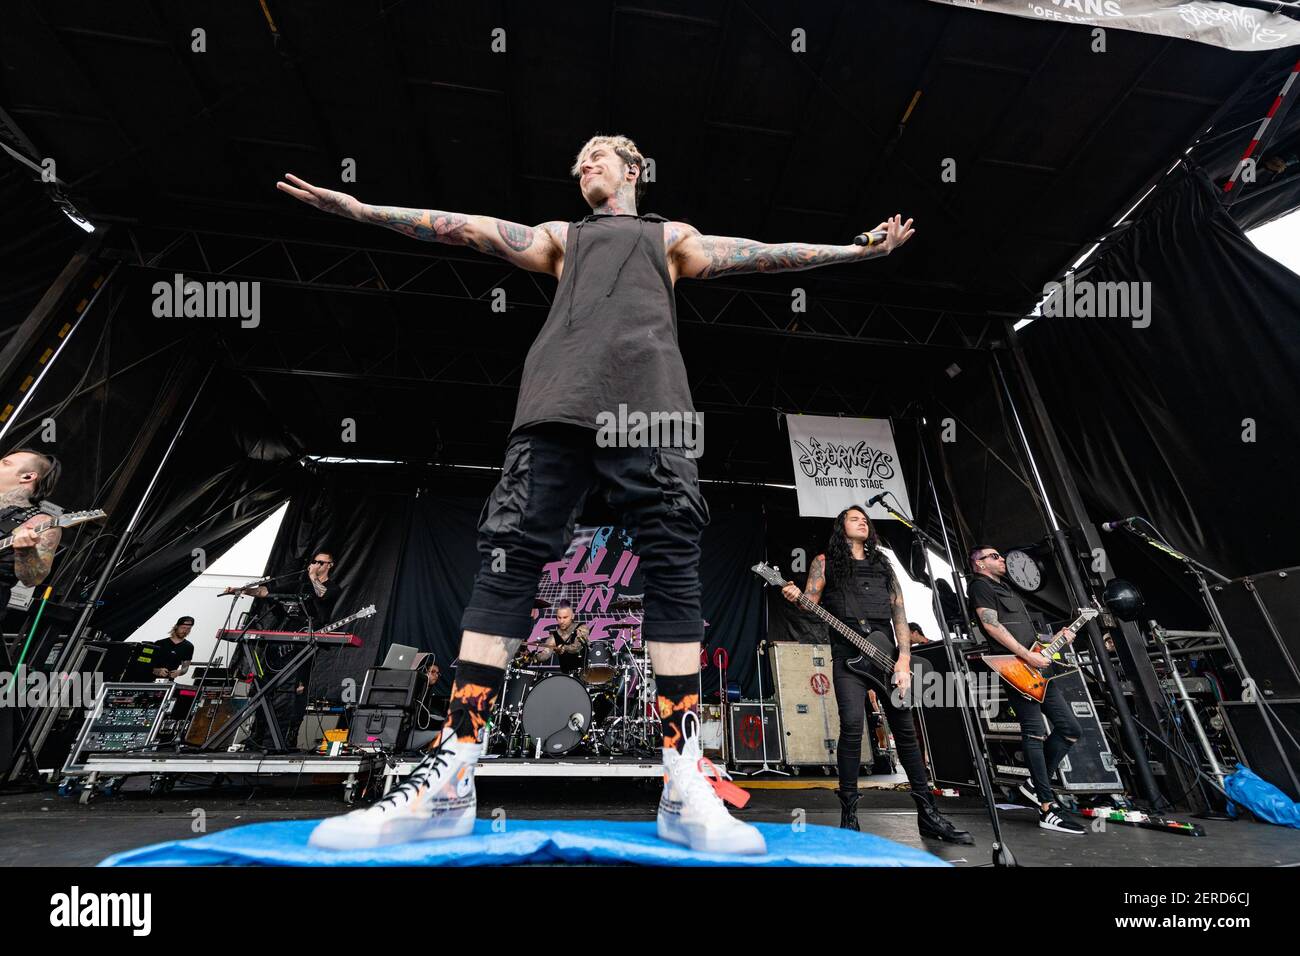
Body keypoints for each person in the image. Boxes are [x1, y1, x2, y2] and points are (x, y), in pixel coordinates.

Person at [281, 134, 914, 854]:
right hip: (555, 403)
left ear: (633, 168)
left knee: (674, 560)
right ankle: (454, 768)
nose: (581, 165)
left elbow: (762, 251)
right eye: (576, 159)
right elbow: (467, 226)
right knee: (508, 558)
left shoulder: (669, 237)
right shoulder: (561, 238)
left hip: (653, 408)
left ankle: (681, 774)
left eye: (596, 155)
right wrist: (362, 210)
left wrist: (853, 253)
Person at [782, 505, 971, 844]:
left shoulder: (884, 565)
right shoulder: (824, 562)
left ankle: (928, 814)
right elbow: (809, 601)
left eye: (865, 518)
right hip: (847, 658)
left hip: (887, 657)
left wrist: (903, 660)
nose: (863, 522)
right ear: (842, 528)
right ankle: (850, 815)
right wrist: (796, 595)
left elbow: (899, 613)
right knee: (853, 725)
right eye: (854, 519)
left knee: (906, 734)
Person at [968, 545, 1085, 835]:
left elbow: (1028, 635)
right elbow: (991, 625)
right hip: (1017, 669)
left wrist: (1056, 640)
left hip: (1037, 668)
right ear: (979, 564)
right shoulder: (980, 586)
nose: (1002, 559)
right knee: (1034, 731)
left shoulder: (1008, 589)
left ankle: (1035, 784)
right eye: (994, 556)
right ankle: (1046, 807)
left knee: (1070, 728)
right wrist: (1026, 655)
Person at [0, 449, 62, 611]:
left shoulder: (40, 522)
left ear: (27, 476)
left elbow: (33, 579)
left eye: (5, 463)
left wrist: (26, 551)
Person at [532, 601, 589, 675]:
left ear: (572, 616)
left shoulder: (581, 628)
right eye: (559, 618)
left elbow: (577, 647)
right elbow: (545, 654)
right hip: (566, 675)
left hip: (585, 674)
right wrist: (534, 657)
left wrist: (563, 647)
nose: (561, 621)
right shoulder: (555, 636)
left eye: (565, 617)